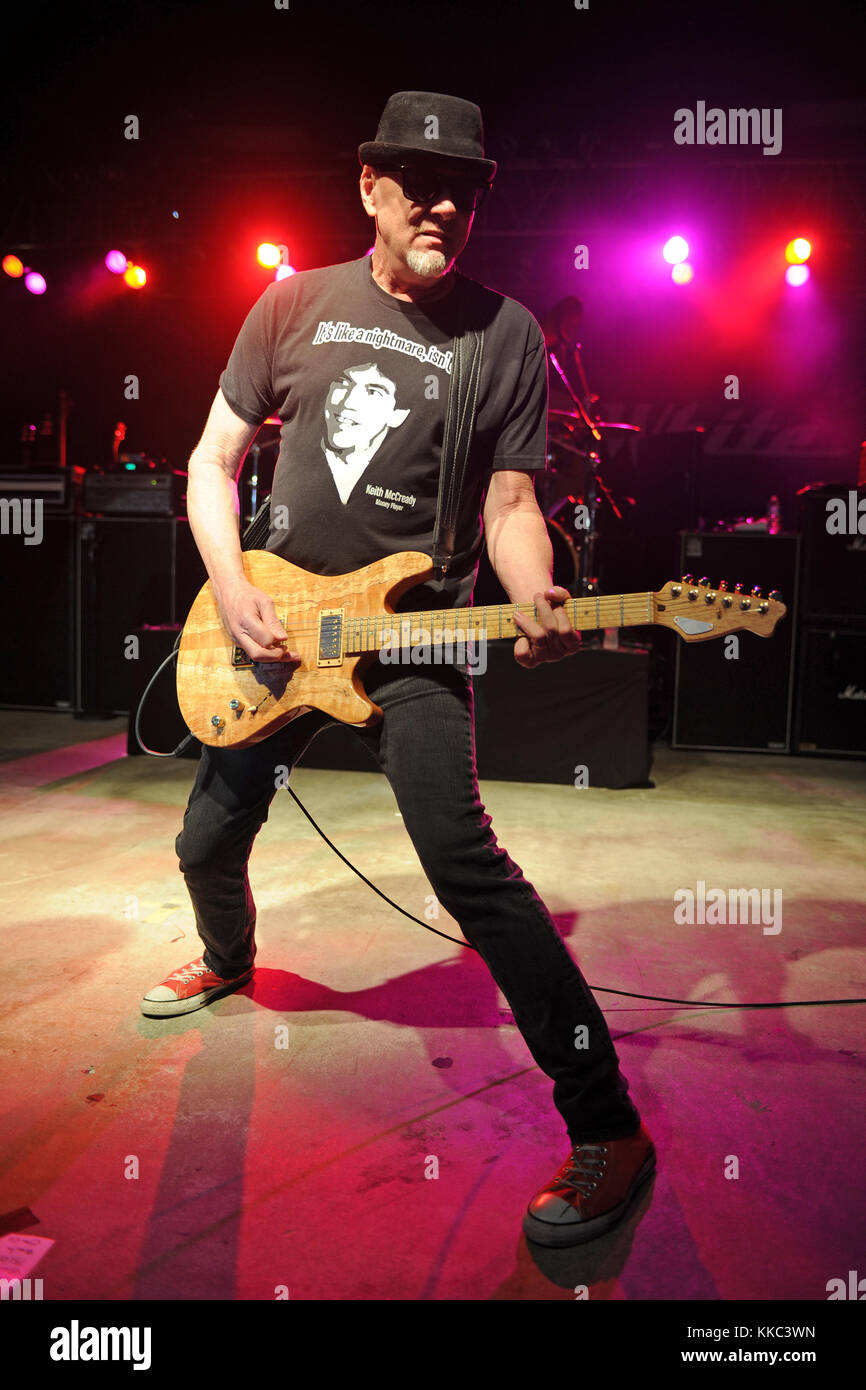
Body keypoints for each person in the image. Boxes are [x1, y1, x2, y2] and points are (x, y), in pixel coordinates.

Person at [140, 91, 655, 1248]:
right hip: (272, 631)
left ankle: (606, 1125)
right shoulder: (291, 304)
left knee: (466, 868)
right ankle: (229, 959)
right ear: (367, 188)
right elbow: (211, 462)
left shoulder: (504, 333)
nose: (441, 201)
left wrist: (530, 590)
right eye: (416, 179)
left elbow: (510, 504)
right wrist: (230, 583)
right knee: (203, 844)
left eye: (463, 187)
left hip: (411, 641)